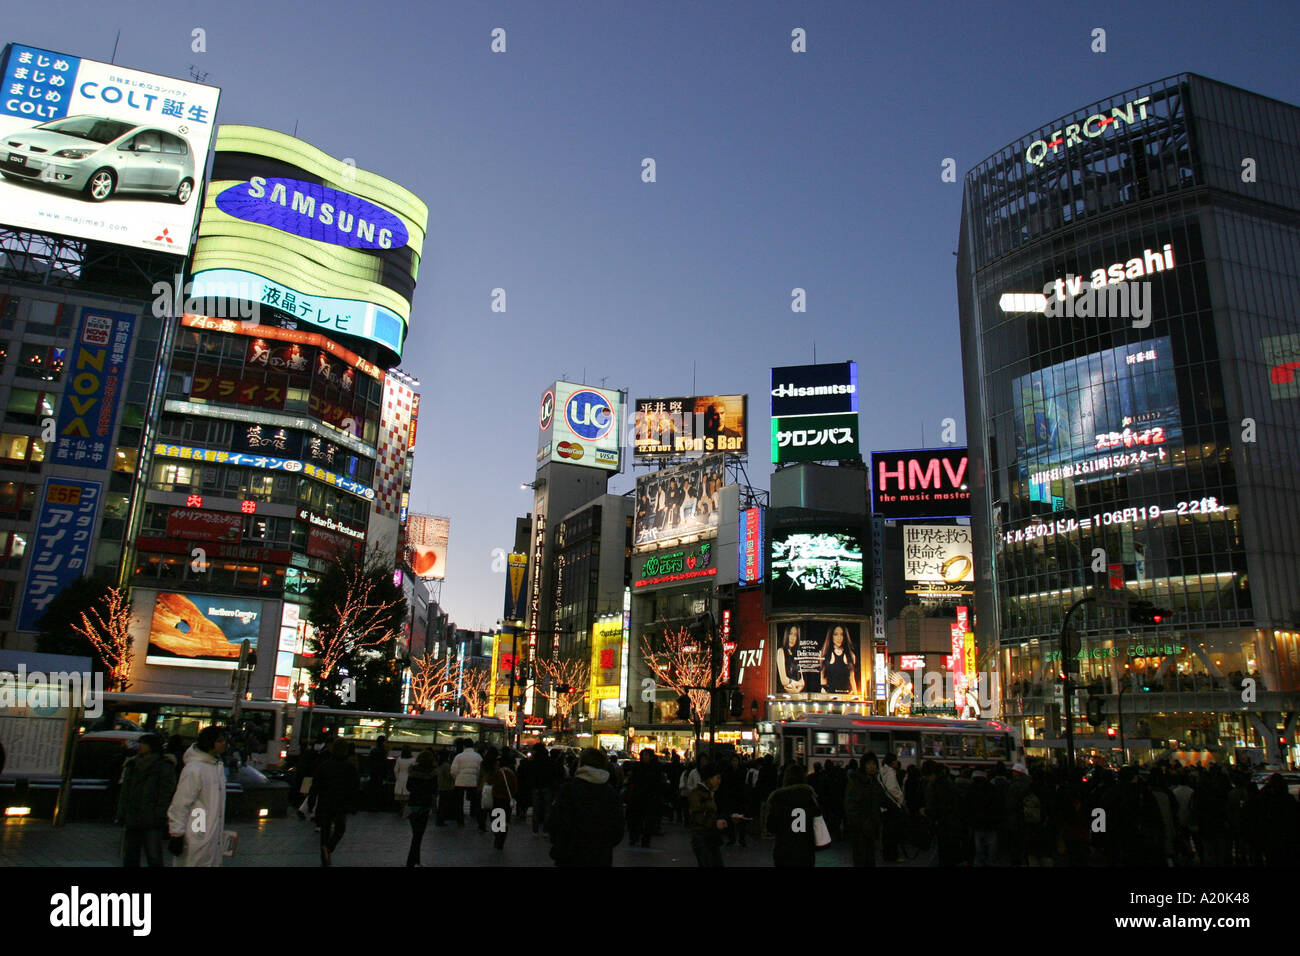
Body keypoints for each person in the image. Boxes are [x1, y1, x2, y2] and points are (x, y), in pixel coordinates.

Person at [549, 748, 625, 866]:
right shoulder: (610, 792)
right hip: (600, 855)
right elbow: (618, 828)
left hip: (570, 854)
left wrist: (560, 843)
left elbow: (555, 822)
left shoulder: (569, 789)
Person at [166, 726, 228, 868]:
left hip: (209, 833)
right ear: (209, 742)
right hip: (197, 833)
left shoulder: (215, 766)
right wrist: (177, 833)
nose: (224, 743)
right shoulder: (195, 769)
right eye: (220, 740)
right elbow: (181, 803)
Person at [117, 733, 177, 867]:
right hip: (134, 815)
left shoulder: (163, 766)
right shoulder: (132, 764)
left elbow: (166, 793)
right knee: (131, 855)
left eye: (143, 743)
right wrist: (122, 813)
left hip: (152, 817)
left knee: (153, 854)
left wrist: (160, 813)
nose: (140, 746)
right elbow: (125, 792)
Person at [313, 739, 360, 866]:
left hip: (325, 802)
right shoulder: (350, 767)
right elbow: (355, 787)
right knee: (340, 829)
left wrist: (312, 803)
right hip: (341, 803)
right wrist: (354, 805)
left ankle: (325, 857)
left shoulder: (324, 765)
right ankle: (329, 848)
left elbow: (315, 785)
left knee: (325, 830)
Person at [764, 764, 821, 867]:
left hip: (784, 847)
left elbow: (771, 826)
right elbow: (818, 822)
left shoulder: (777, 796)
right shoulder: (810, 796)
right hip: (805, 848)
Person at [843, 752, 885, 866]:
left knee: (869, 858)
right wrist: (862, 823)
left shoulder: (873, 781)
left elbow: (882, 800)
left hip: (870, 827)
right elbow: (851, 806)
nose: (872, 767)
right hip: (860, 829)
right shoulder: (857, 782)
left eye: (874, 764)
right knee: (863, 858)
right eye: (869, 764)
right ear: (863, 765)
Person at [688, 763, 728, 867]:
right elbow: (697, 815)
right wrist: (715, 822)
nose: (719, 781)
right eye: (717, 778)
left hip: (709, 836)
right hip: (702, 836)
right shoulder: (698, 793)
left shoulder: (710, 793)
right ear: (709, 779)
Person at [404, 750, 437, 866]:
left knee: (415, 834)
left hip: (413, 804)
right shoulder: (432, 773)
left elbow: (409, 787)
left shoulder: (413, 771)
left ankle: (415, 860)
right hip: (425, 805)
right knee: (418, 835)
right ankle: (412, 861)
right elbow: (434, 789)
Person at [626, 749, 664, 848]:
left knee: (648, 821)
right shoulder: (638, 767)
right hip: (638, 797)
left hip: (650, 797)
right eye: (644, 755)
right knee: (636, 819)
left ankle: (645, 839)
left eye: (647, 755)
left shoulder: (655, 768)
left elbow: (659, 783)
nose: (645, 757)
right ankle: (634, 837)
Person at [487, 752, 519, 849]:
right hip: (507, 799)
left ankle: (498, 837)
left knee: (496, 818)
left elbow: (490, 782)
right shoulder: (512, 773)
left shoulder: (498, 773)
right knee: (504, 820)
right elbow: (515, 787)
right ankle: (501, 839)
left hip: (497, 798)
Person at [450, 739, 484, 829]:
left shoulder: (459, 756)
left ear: (464, 746)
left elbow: (453, 771)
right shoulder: (478, 757)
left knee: (459, 803)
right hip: (473, 782)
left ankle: (460, 821)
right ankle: (476, 819)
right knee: (476, 802)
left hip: (460, 782)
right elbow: (480, 771)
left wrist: (457, 778)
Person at [878, 753, 905, 861]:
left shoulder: (881, 772)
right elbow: (892, 788)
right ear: (892, 762)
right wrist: (900, 799)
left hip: (884, 806)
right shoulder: (890, 773)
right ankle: (893, 855)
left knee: (887, 833)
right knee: (893, 833)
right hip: (892, 806)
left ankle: (887, 854)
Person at [819, 625, 858, 695]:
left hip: (847, 696)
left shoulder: (851, 655)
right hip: (829, 697)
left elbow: (852, 679)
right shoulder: (824, 654)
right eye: (835, 634)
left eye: (842, 634)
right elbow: (823, 679)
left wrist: (856, 695)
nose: (839, 638)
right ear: (831, 636)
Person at [776, 626, 806, 693]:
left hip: (797, 692)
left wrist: (796, 691)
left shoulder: (796, 654)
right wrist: (798, 684)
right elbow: (784, 680)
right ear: (786, 635)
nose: (792, 638)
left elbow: (802, 681)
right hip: (783, 694)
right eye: (790, 634)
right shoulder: (781, 651)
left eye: (795, 635)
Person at [366, 736, 392, 811]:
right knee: (378, 790)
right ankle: (376, 806)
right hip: (380, 773)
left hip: (373, 773)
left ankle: (371, 805)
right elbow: (384, 763)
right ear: (383, 742)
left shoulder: (373, 750)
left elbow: (369, 761)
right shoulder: (383, 751)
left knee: (372, 790)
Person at [393, 744, 416, 818]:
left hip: (400, 778)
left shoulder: (399, 759)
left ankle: (401, 810)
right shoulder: (413, 760)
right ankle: (405, 812)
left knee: (400, 797)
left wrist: (397, 778)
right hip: (408, 778)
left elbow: (395, 770)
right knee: (407, 797)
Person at [435, 750, 457, 826]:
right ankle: (441, 820)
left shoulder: (439, 765)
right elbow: (450, 776)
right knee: (444, 805)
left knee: (441, 804)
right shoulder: (446, 765)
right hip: (447, 787)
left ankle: (439, 819)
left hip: (441, 786)